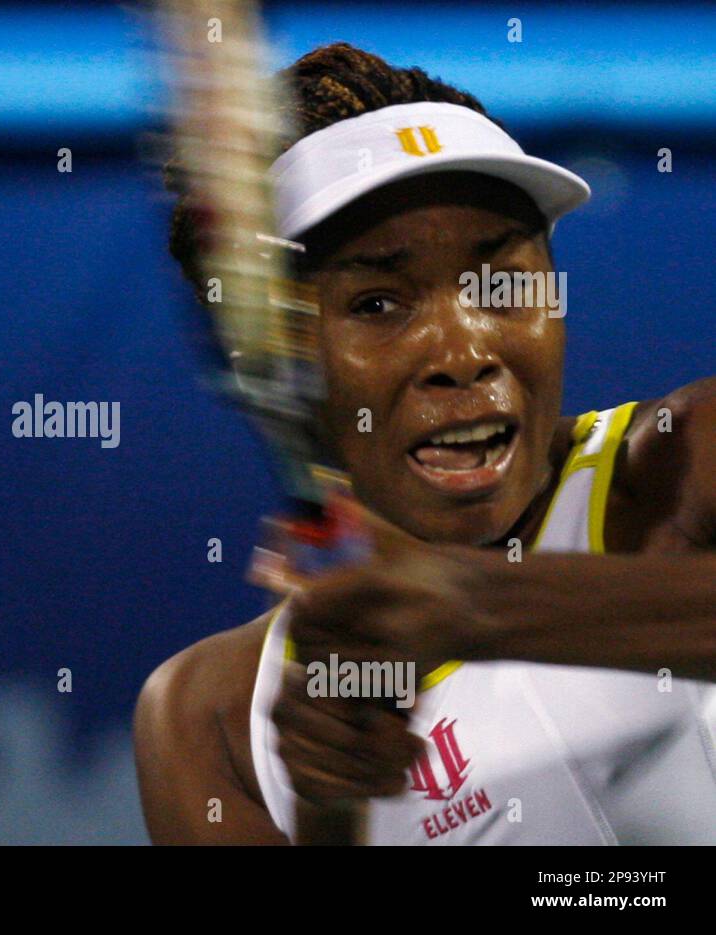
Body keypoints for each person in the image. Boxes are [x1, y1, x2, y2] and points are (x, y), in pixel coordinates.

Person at [134, 42, 716, 844]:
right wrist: (330, 799)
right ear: (277, 354)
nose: (464, 350)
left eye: (502, 282)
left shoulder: (690, 463)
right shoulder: (211, 719)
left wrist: (472, 601)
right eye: (378, 302)